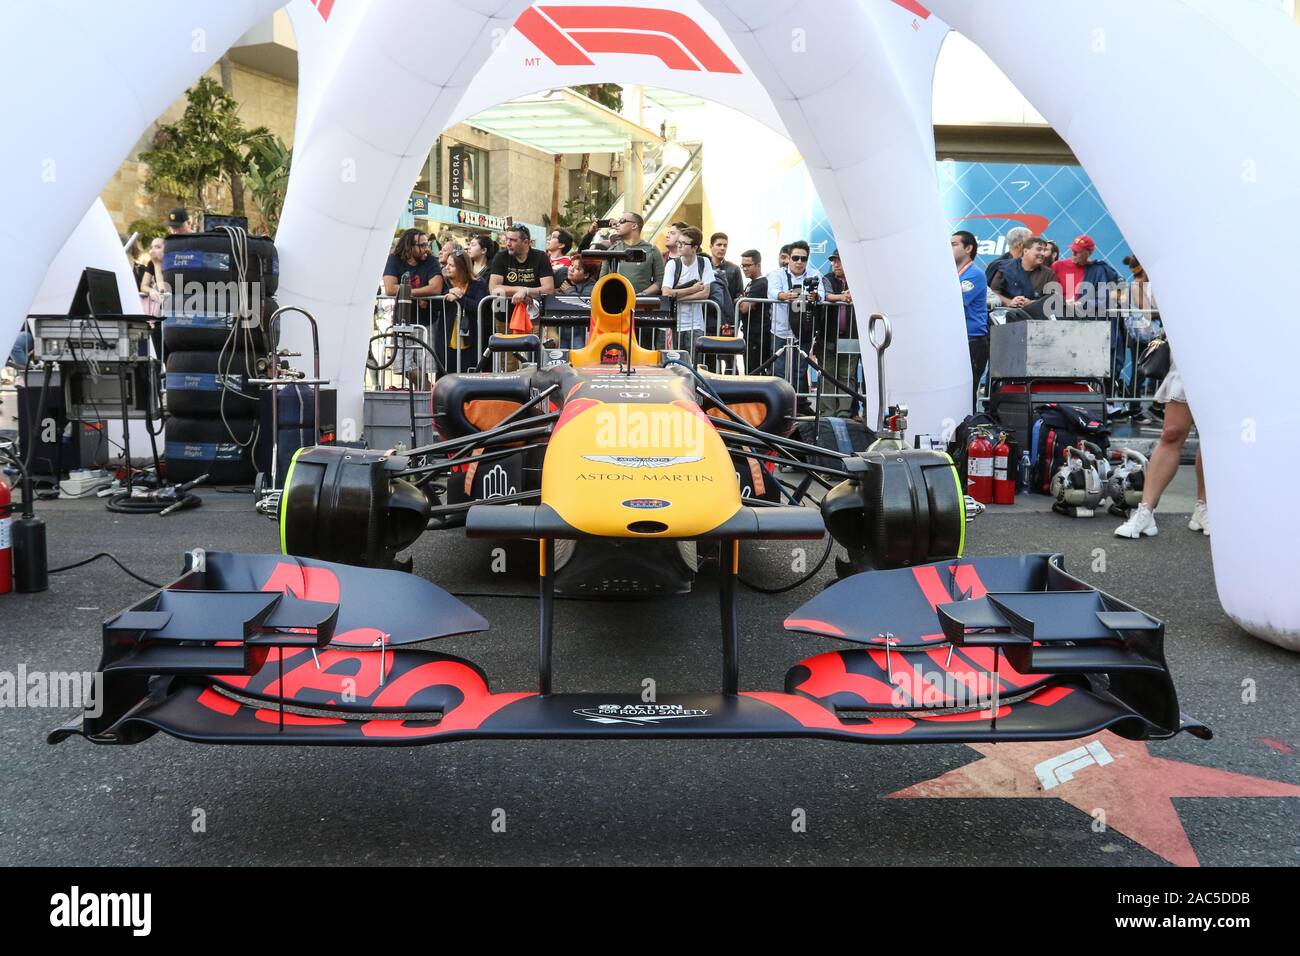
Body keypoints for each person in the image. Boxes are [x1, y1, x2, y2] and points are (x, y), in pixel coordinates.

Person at [1114, 346, 1208, 539]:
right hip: (1191, 352)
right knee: (1172, 433)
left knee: (1211, 437)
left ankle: (1203, 507)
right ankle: (1146, 511)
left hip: (1226, 356)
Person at [766, 239, 821, 412]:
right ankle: (778, 408)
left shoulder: (814, 274)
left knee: (799, 372)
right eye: (795, 258)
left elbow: (822, 294)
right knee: (779, 371)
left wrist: (815, 297)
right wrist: (783, 295)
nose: (799, 262)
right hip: (780, 330)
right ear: (788, 258)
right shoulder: (777, 274)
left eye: (803, 259)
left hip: (803, 331)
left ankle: (796, 408)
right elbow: (772, 292)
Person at [383, 229, 445, 373]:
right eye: (422, 245)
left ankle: (427, 393)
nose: (427, 249)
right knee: (401, 367)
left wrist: (405, 293)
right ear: (409, 247)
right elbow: (390, 288)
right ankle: (429, 393)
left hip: (426, 321)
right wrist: (419, 294)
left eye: (427, 244)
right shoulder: (394, 259)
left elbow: (436, 288)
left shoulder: (430, 259)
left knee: (426, 367)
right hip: (402, 321)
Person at [662, 226, 715, 353]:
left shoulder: (704, 262)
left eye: (683, 243)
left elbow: (705, 293)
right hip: (673, 322)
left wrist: (678, 298)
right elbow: (666, 292)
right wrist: (693, 289)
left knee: (694, 362)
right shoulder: (672, 264)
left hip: (696, 324)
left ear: (694, 248)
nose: (679, 246)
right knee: (674, 363)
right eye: (678, 242)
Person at [953, 231, 990, 412]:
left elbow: (954, 301)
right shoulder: (954, 273)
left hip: (972, 341)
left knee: (966, 394)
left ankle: (966, 434)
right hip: (959, 340)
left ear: (968, 248)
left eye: (954, 244)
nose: (948, 248)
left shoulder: (974, 274)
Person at [821, 249, 860, 417]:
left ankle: (844, 412)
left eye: (840, 260)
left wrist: (854, 295)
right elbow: (826, 295)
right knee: (827, 374)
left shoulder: (859, 280)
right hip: (828, 334)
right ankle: (827, 413)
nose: (835, 264)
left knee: (847, 375)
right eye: (834, 261)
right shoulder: (827, 278)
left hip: (852, 334)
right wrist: (842, 297)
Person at [442, 251, 488, 371]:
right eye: (447, 264)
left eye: (451, 265)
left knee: (468, 372)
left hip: (470, 338)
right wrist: (448, 293)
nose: (447, 268)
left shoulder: (478, 284)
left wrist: (460, 298)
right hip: (447, 337)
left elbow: (479, 306)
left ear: (462, 267)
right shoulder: (444, 283)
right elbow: (437, 303)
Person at [600, 212, 664, 295]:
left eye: (622, 221)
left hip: (642, 304)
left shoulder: (652, 250)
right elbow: (602, 280)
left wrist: (643, 294)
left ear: (634, 226)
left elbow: (660, 281)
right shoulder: (613, 250)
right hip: (617, 303)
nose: (617, 224)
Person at [989, 235, 1053, 312]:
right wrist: (1010, 302)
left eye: (1044, 250)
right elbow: (993, 293)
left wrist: (1031, 303)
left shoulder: (1048, 274)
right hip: (1006, 315)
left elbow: (1052, 300)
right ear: (1025, 251)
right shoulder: (1006, 268)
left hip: (1035, 317)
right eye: (1039, 249)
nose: (1043, 253)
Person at [739, 249, 771, 374]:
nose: (744, 269)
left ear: (758, 265)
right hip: (750, 332)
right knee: (749, 367)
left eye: (748, 265)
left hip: (759, 335)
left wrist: (739, 300)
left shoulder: (761, 284)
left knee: (755, 370)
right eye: (743, 266)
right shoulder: (751, 284)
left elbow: (744, 308)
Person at [707, 232, 744, 305]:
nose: (722, 248)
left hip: (726, 312)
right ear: (711, 247)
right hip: (706, 311)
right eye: (719, 245)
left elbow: (739, 294)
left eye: (725, 245)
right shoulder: (703, 266)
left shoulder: (734, 269)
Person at [139, 236, 169, 315]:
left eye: (158, 247)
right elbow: (143, 286)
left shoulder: (172, 263)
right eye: (152, 247)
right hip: (160, 307)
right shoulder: (151, 263)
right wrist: (151, 291)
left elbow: (163, 291)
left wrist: (157, 264)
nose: (153, 250)